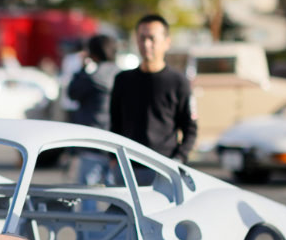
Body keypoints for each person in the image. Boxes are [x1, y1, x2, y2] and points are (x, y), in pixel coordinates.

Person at [110, 15, 197, 163]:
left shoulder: (178, 81)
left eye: (152, 38)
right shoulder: (123, 80)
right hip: (129, 165)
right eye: (142, 38)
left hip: (164, 164)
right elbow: (114, 123)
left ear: (167, 42)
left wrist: (179, 159)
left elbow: (190, 128)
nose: (146, 44)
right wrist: (113, 158)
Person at [67, 33, 120, 185]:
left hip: (92, 140)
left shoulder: (92, 77)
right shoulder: (122, 76)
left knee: (89, 191)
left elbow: (72, 93)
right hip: (117, 142)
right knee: (115, 192)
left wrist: (83, 68)